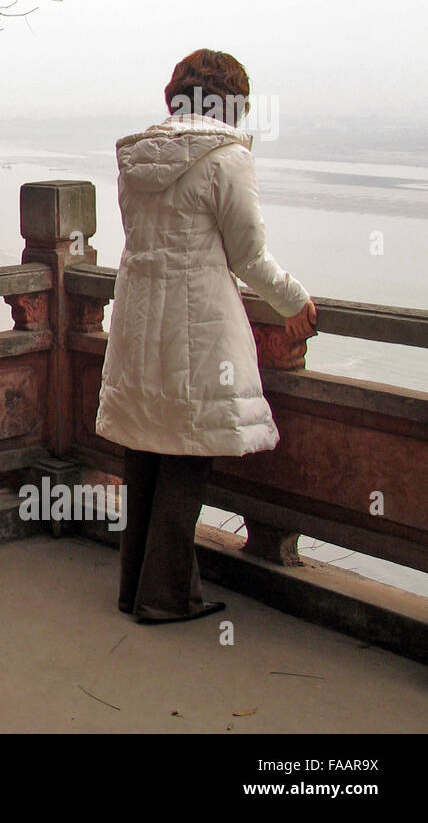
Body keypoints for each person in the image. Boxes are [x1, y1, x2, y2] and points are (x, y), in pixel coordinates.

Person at [95, 49, 317, 623]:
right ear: (232, 102)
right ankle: (165, 598)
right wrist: (295, 302)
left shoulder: (136, 158)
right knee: (188, 453)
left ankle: (136, 590)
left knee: (145, 450)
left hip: (140, 321)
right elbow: (248, 256)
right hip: (198, 324)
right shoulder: (225, 158)